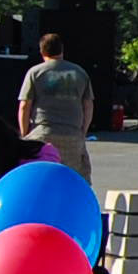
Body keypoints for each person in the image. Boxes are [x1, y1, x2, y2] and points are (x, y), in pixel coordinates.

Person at [19, 31, 96, 183]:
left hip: (42, 133)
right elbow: (88, 105)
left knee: (38, 180)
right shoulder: (80, 72)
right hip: (72, 133)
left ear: (42, 51)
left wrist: (25, 133)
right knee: (74, 181)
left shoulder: (35, 72)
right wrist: (82, 131)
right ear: (62, 50)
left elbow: (24, 105)